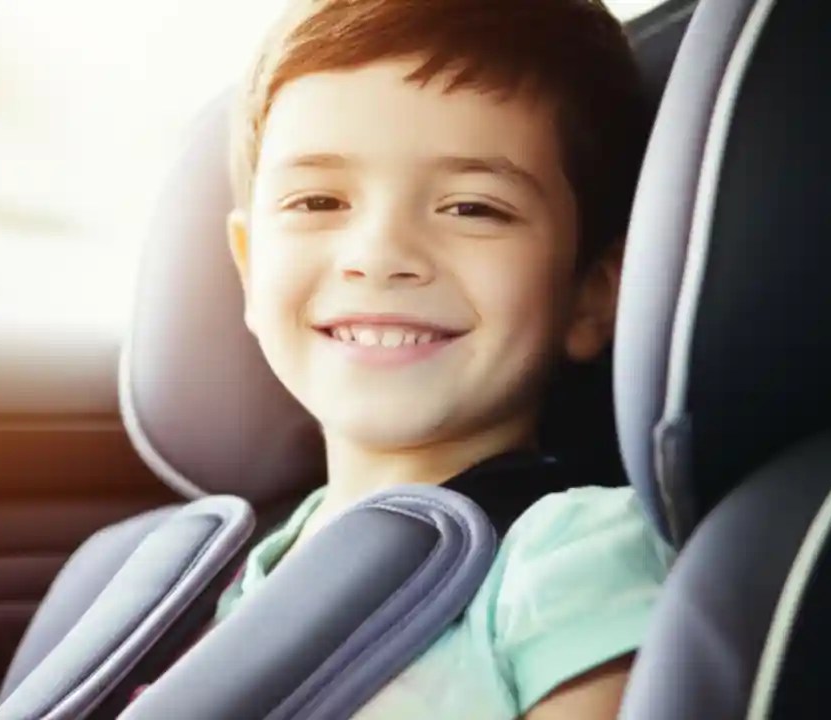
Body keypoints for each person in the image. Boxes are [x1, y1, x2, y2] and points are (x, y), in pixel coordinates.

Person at [214, 1, 675, 717]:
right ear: (249, 269)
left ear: (591, 296)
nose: (379, 255)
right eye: (318, 200)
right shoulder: (209, 584)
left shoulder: (572, 555)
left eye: (472, 208)